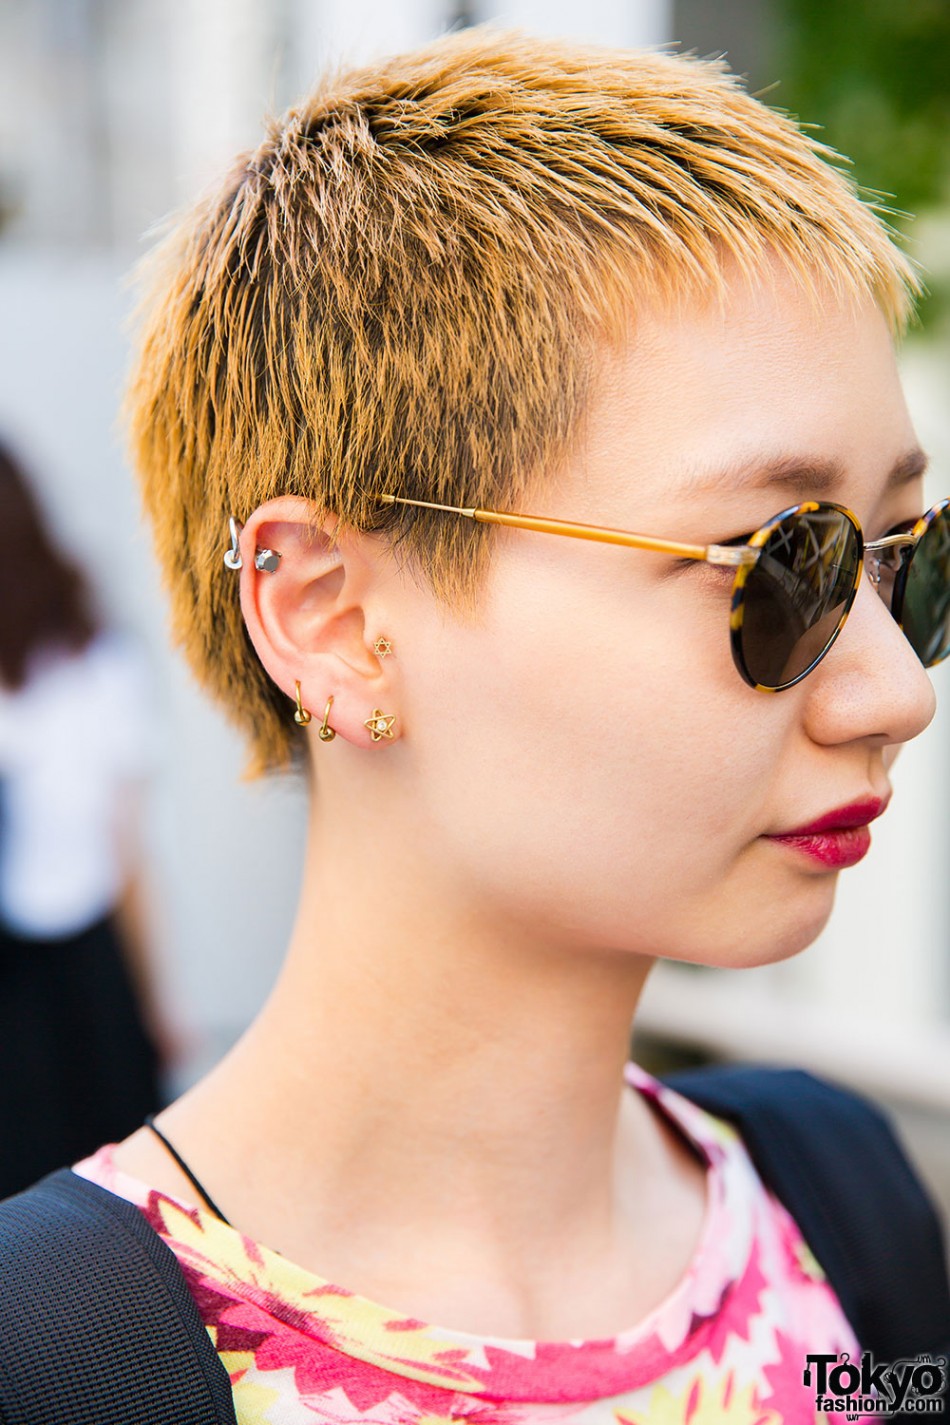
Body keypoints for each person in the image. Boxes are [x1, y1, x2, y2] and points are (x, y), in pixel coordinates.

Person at [18, 24, 950, 1419]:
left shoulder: (844, 1209)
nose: (895, 690)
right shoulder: (57, 1365)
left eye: (903, 560)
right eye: (782, 561)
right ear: (329, 616)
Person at [0, 440, 166, 1198]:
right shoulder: (99, 660)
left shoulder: (93, 658)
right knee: (110, 1195)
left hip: (72, 972)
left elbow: (123, 853)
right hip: (88, 975)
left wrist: (156, 999)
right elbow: (125, 852)